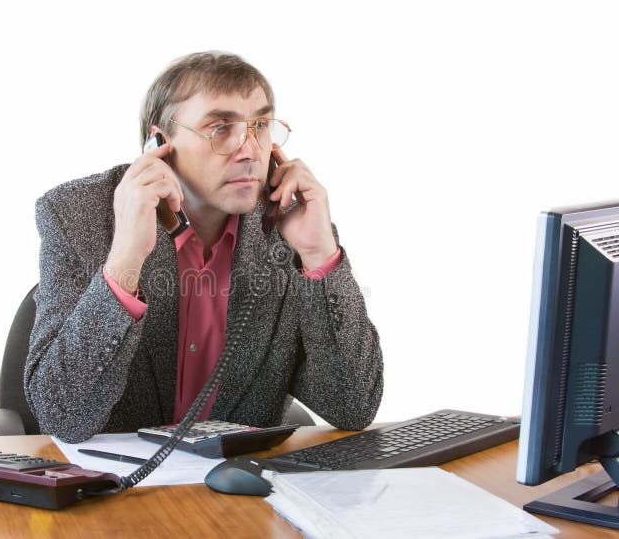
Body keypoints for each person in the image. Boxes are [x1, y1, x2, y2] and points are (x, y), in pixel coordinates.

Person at [24, 51, 383, 443]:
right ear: (158, 143)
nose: (250, 151)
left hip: (239, 489)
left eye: (260, 125)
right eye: (220, 128)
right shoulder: (77, 216)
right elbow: (61, 415)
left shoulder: (292, 225)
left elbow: (353, 406)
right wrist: (125, 258)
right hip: (114, 492)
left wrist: (319, 256)